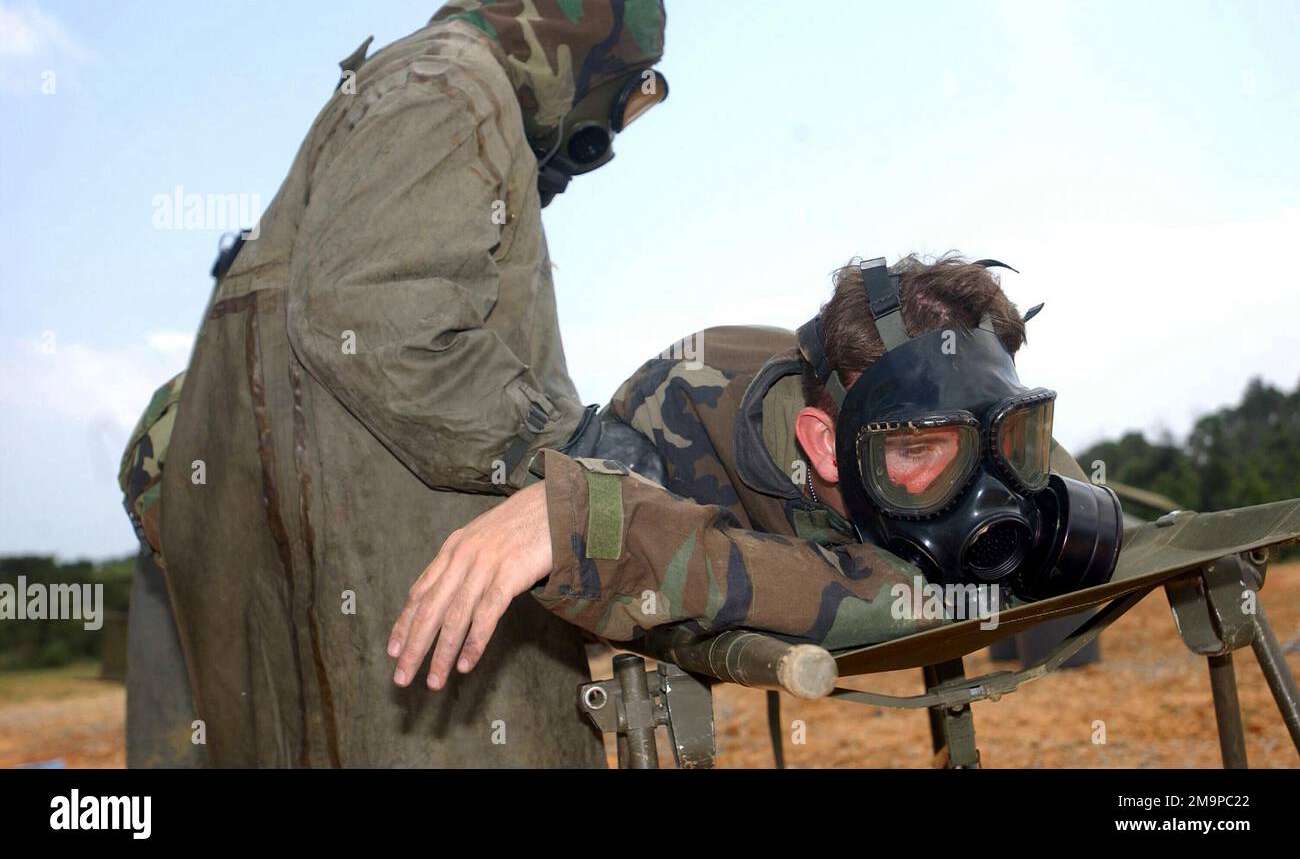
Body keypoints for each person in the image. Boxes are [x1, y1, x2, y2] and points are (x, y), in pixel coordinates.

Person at [152, 0, 669, 767]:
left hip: (384, 623)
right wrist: (571, 451)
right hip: (399, 636)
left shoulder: (436, 88)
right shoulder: (452, 88)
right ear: (586, 49)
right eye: (618, 94)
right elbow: (380, 316)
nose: (605, 130)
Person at [390, 254, 1124, 689]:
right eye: (917, 453)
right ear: (827, 445)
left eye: (1004, 437)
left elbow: (902, 597)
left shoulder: (994, 433)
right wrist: (581, 512)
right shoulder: (677, 418)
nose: (983, 495)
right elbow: (664, 562)